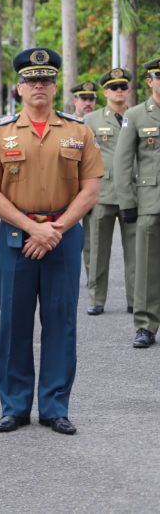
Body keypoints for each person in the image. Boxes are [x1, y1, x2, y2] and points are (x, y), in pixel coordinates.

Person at [0, 47, 102, 435]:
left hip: (62, 236)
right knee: (14, 322)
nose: (39, 86)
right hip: (16, 236)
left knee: (61, 323)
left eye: (45, 79)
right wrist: (33, 229)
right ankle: (14, 406)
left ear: (55, 84)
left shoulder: (78, 131)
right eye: (32, 80)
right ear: (19, 88)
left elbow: (91, 188)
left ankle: (54, 406)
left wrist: (56, 229)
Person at [115, 58, 160, 348]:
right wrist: (127, 201)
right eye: (159, 76)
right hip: (149, 201)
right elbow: (122, 162)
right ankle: (145, 324)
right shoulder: (136, 115)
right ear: (150, 81)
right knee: (146, 267)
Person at [83, 69, 135, 315]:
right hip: (101, 193)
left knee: (136, 251)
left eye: (123, 87)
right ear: (105, 92)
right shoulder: (91, 120)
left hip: (133, 193)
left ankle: (136, 299)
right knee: (96, 248)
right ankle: (96, 298)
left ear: (129, 91)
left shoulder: (138, 116)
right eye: (114, 88)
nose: (119, 92)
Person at [71, 81, 99, 281]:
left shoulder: (98, 122)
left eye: (91, 99)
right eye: (84, 98)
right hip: (68, 191)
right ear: (75, 100)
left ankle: (92, 279)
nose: (88, 102)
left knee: (92, 240)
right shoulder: (67, 124)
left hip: (91, 191)